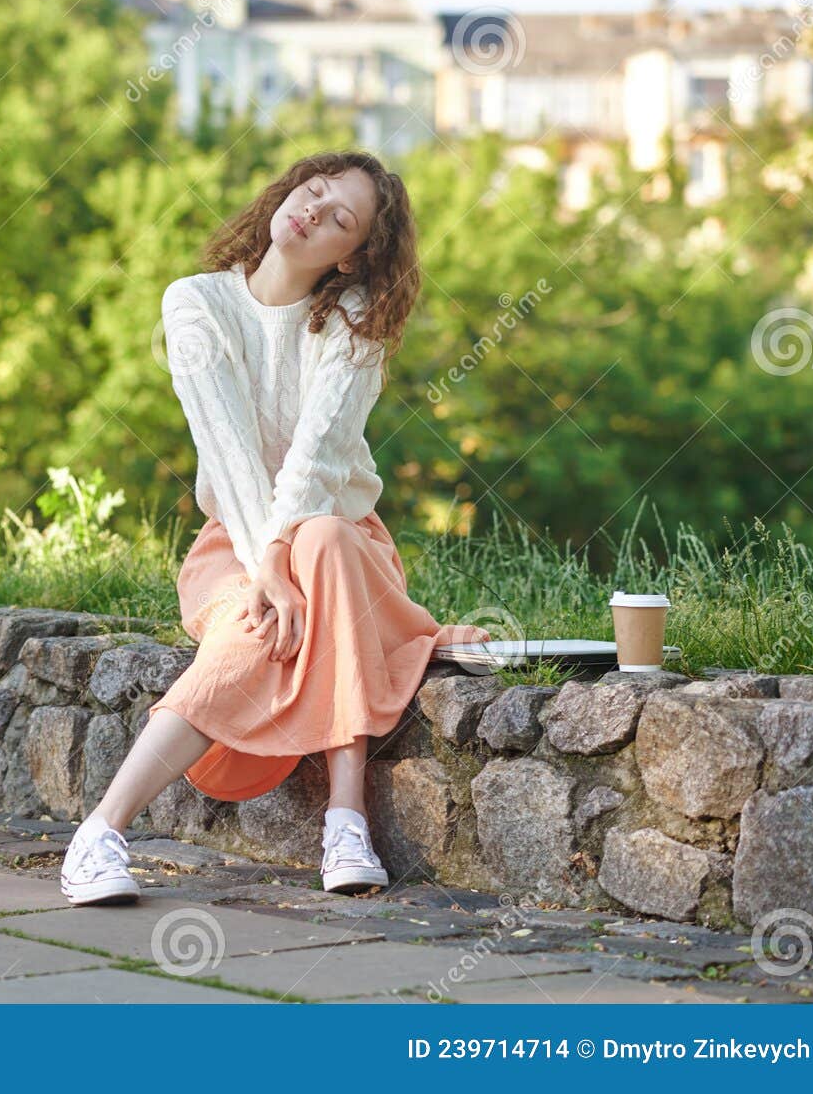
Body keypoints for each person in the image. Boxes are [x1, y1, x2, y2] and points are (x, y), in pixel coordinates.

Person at [59, 151, 491, 906]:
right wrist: (266, 567)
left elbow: (317, 458)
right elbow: (229, 454)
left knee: (321, 536)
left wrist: (284, 560)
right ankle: (101, 832)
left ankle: (343, 817)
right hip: (232, 540)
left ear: (351, 254)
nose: (313, 211)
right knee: (265, 618)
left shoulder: (354, 321)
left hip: (345, 540)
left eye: (339, 219)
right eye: (314, 190)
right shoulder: (194, 302)